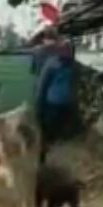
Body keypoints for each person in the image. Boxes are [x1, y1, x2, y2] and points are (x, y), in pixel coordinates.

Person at [33, 32, 77, 161]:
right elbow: (43, 85)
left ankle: (51, 159)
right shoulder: (59, 64)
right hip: (58, 104)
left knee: (54, 135)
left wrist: (38, 106)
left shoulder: (65, 65)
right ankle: (47, 159)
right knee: (52, 135)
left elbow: (43, 85)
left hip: (59, 104)